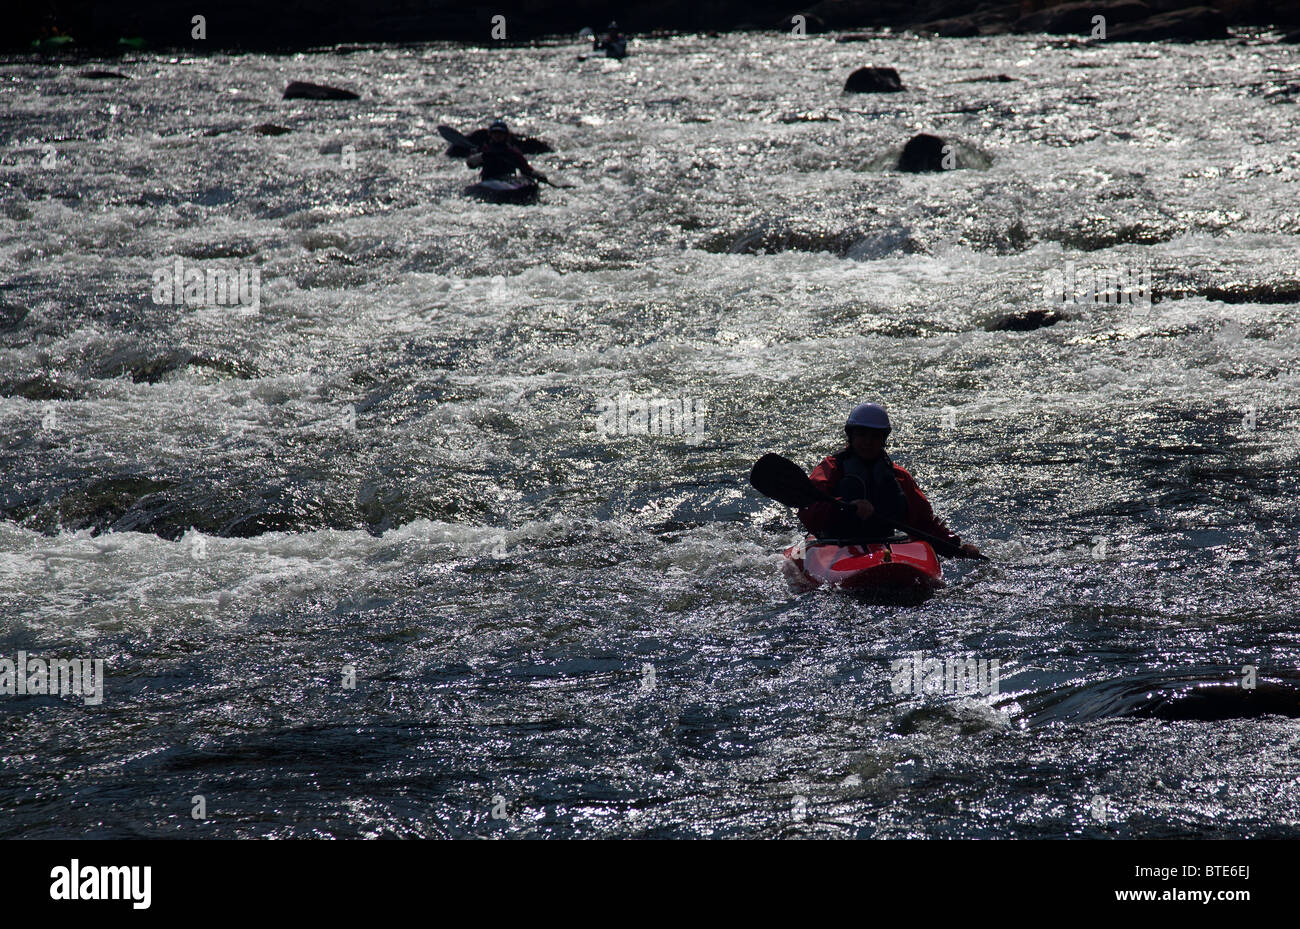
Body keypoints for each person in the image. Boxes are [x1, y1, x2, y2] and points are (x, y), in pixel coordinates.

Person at [798, 402, 981, 557]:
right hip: (836, 545)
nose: (868, 442)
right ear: (851, 436)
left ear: (884, 439)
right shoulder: (830, 469)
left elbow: (923, 522)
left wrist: (956, 546)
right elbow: (809, 509)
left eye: (875, 436)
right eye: (862, 434)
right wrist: (845, 506)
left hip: (882, 546)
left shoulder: (898, 477)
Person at [466, 120, 546, 184]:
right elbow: (470, 164)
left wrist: (537, 175)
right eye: (495, 133)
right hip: (489, 180)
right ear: (491, 135)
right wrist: (483, 156)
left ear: (506, 135)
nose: (498, 136)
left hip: (508, 180)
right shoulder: (485, 150)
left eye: (501, 133)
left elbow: (526, 169)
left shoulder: (512, 152)